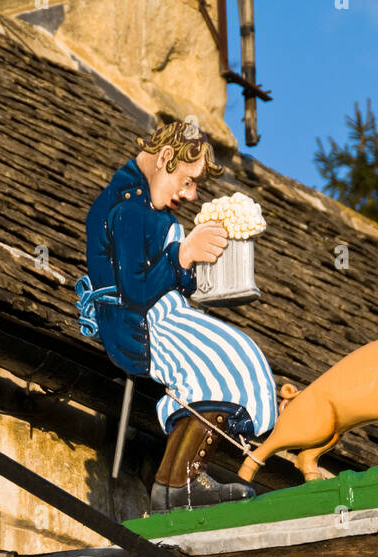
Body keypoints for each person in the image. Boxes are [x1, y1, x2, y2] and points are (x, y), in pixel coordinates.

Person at [79, 120, 277, 511]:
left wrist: (202, 267)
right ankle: (179, 483)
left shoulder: (152, 210)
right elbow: (134, 291)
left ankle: (176, 479)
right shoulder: (129, 211)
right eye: (187, 181)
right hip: (136, 326)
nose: (191, 194)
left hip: (161, 315)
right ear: (165, 158)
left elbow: (169, 280)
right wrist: (184, 255)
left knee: (237, 350)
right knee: (223, 359)